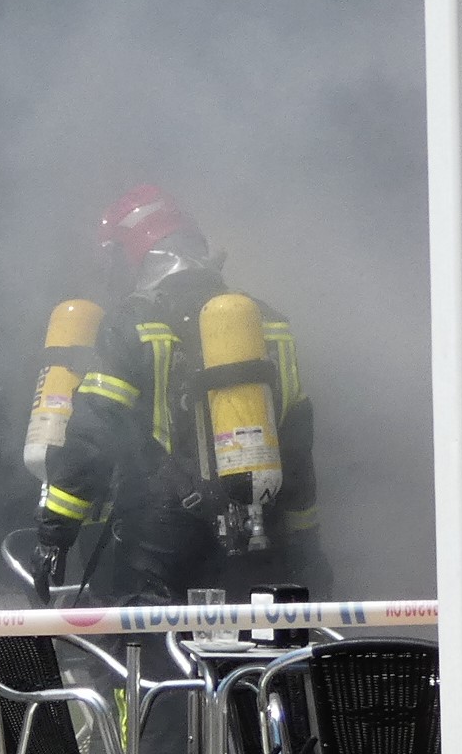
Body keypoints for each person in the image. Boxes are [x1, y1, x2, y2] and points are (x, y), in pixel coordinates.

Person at [25, 185, 326, 607]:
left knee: (147, 658)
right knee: (249, 654)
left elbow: (94, 430)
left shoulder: (133, 321)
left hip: (160, 536)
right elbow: (295, 433)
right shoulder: (267, 323)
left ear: (137, 253)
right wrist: (304, 538)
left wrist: (55, 532)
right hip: (259, 528)